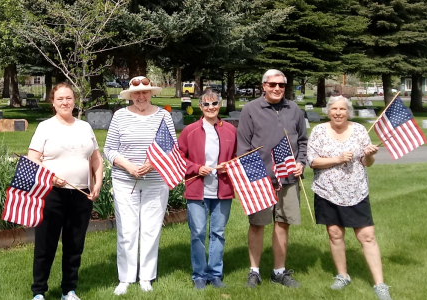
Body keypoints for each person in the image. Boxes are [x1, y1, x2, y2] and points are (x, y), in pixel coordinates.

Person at [308, 95, 392, 300]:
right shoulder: (318, 131)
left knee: (367, 236)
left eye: (342, 109)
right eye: (334, 109)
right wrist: (337, 158)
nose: (338, 113)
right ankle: (342, 276)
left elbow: (366, 162)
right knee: (335, 234)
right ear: (328, 111)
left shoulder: (360, 130)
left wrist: (370, 154)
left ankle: (380, 284)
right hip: (327, 191)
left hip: (356, 192)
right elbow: (312, 161)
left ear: (348, 112)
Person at [28, 83, 104, 300]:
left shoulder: (85, 127)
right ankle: (39, 292)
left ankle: (68, 290)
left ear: (74, 100)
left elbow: (96, 159)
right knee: (46, 244)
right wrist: (50, 177)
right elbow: (33, 158)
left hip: (81, 195)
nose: (65, 102)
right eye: (60, 99)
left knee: (74, 244)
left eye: (69, 98)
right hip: (51, 194)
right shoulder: (45, 127)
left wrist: (97, 183)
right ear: (53, 102)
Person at [103, 76, 176, 295]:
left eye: (145, 92)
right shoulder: (120, 116)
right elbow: (109, 149)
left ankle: (146, 277)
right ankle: (125, 278)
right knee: (127, 229)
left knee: (151, 229)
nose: (141, 96)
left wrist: (152, 164)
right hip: (125, 181)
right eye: (137, 93)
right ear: (130, 95)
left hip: (156, 181)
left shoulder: (164, 116)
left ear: (151, 93)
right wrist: (128, 166)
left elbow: (172, 147)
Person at [236, 69, 307, 288]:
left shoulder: (293, 109)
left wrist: (300, 162)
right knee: (257, 225)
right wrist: (255, 177)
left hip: (287, 178)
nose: (277, 89)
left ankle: (279, 271)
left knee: (282, 224)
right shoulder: (250, 109)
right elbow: (244, 147)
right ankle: (254, 271)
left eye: (281, 85)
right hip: (260, 179)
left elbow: (303, 141)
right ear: (263, 86)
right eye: (272, 84)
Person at [177, 88, 237, 289]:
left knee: (218, 232)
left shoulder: (230, 130)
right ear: (200, 107)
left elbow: (238, 158)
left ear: (219, 105)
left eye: (214, 103)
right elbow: (178, 159)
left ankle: (215, 273)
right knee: (198, 232)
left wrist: (229, 165)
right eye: (206, 104)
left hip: (223, 189)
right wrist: (196, 168)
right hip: (197, 189)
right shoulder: (190, 131)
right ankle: (199, 275)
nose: (211, 107)